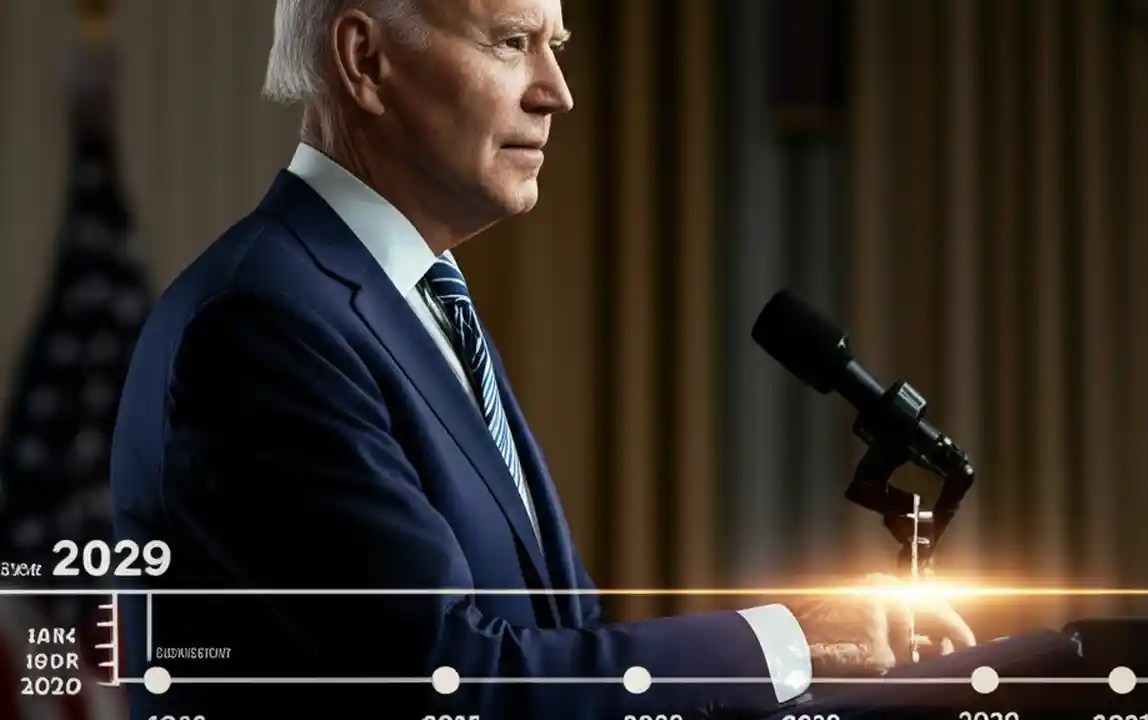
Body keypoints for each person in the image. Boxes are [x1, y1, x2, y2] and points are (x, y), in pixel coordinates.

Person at [109, 0, 975, 718]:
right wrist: (794, 640)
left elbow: (542, 640)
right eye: (512, 43)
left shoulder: (410, 300)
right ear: (365, 60)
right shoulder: (263, 322)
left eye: (554, 47)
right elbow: (451, 683)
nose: (556, 92)